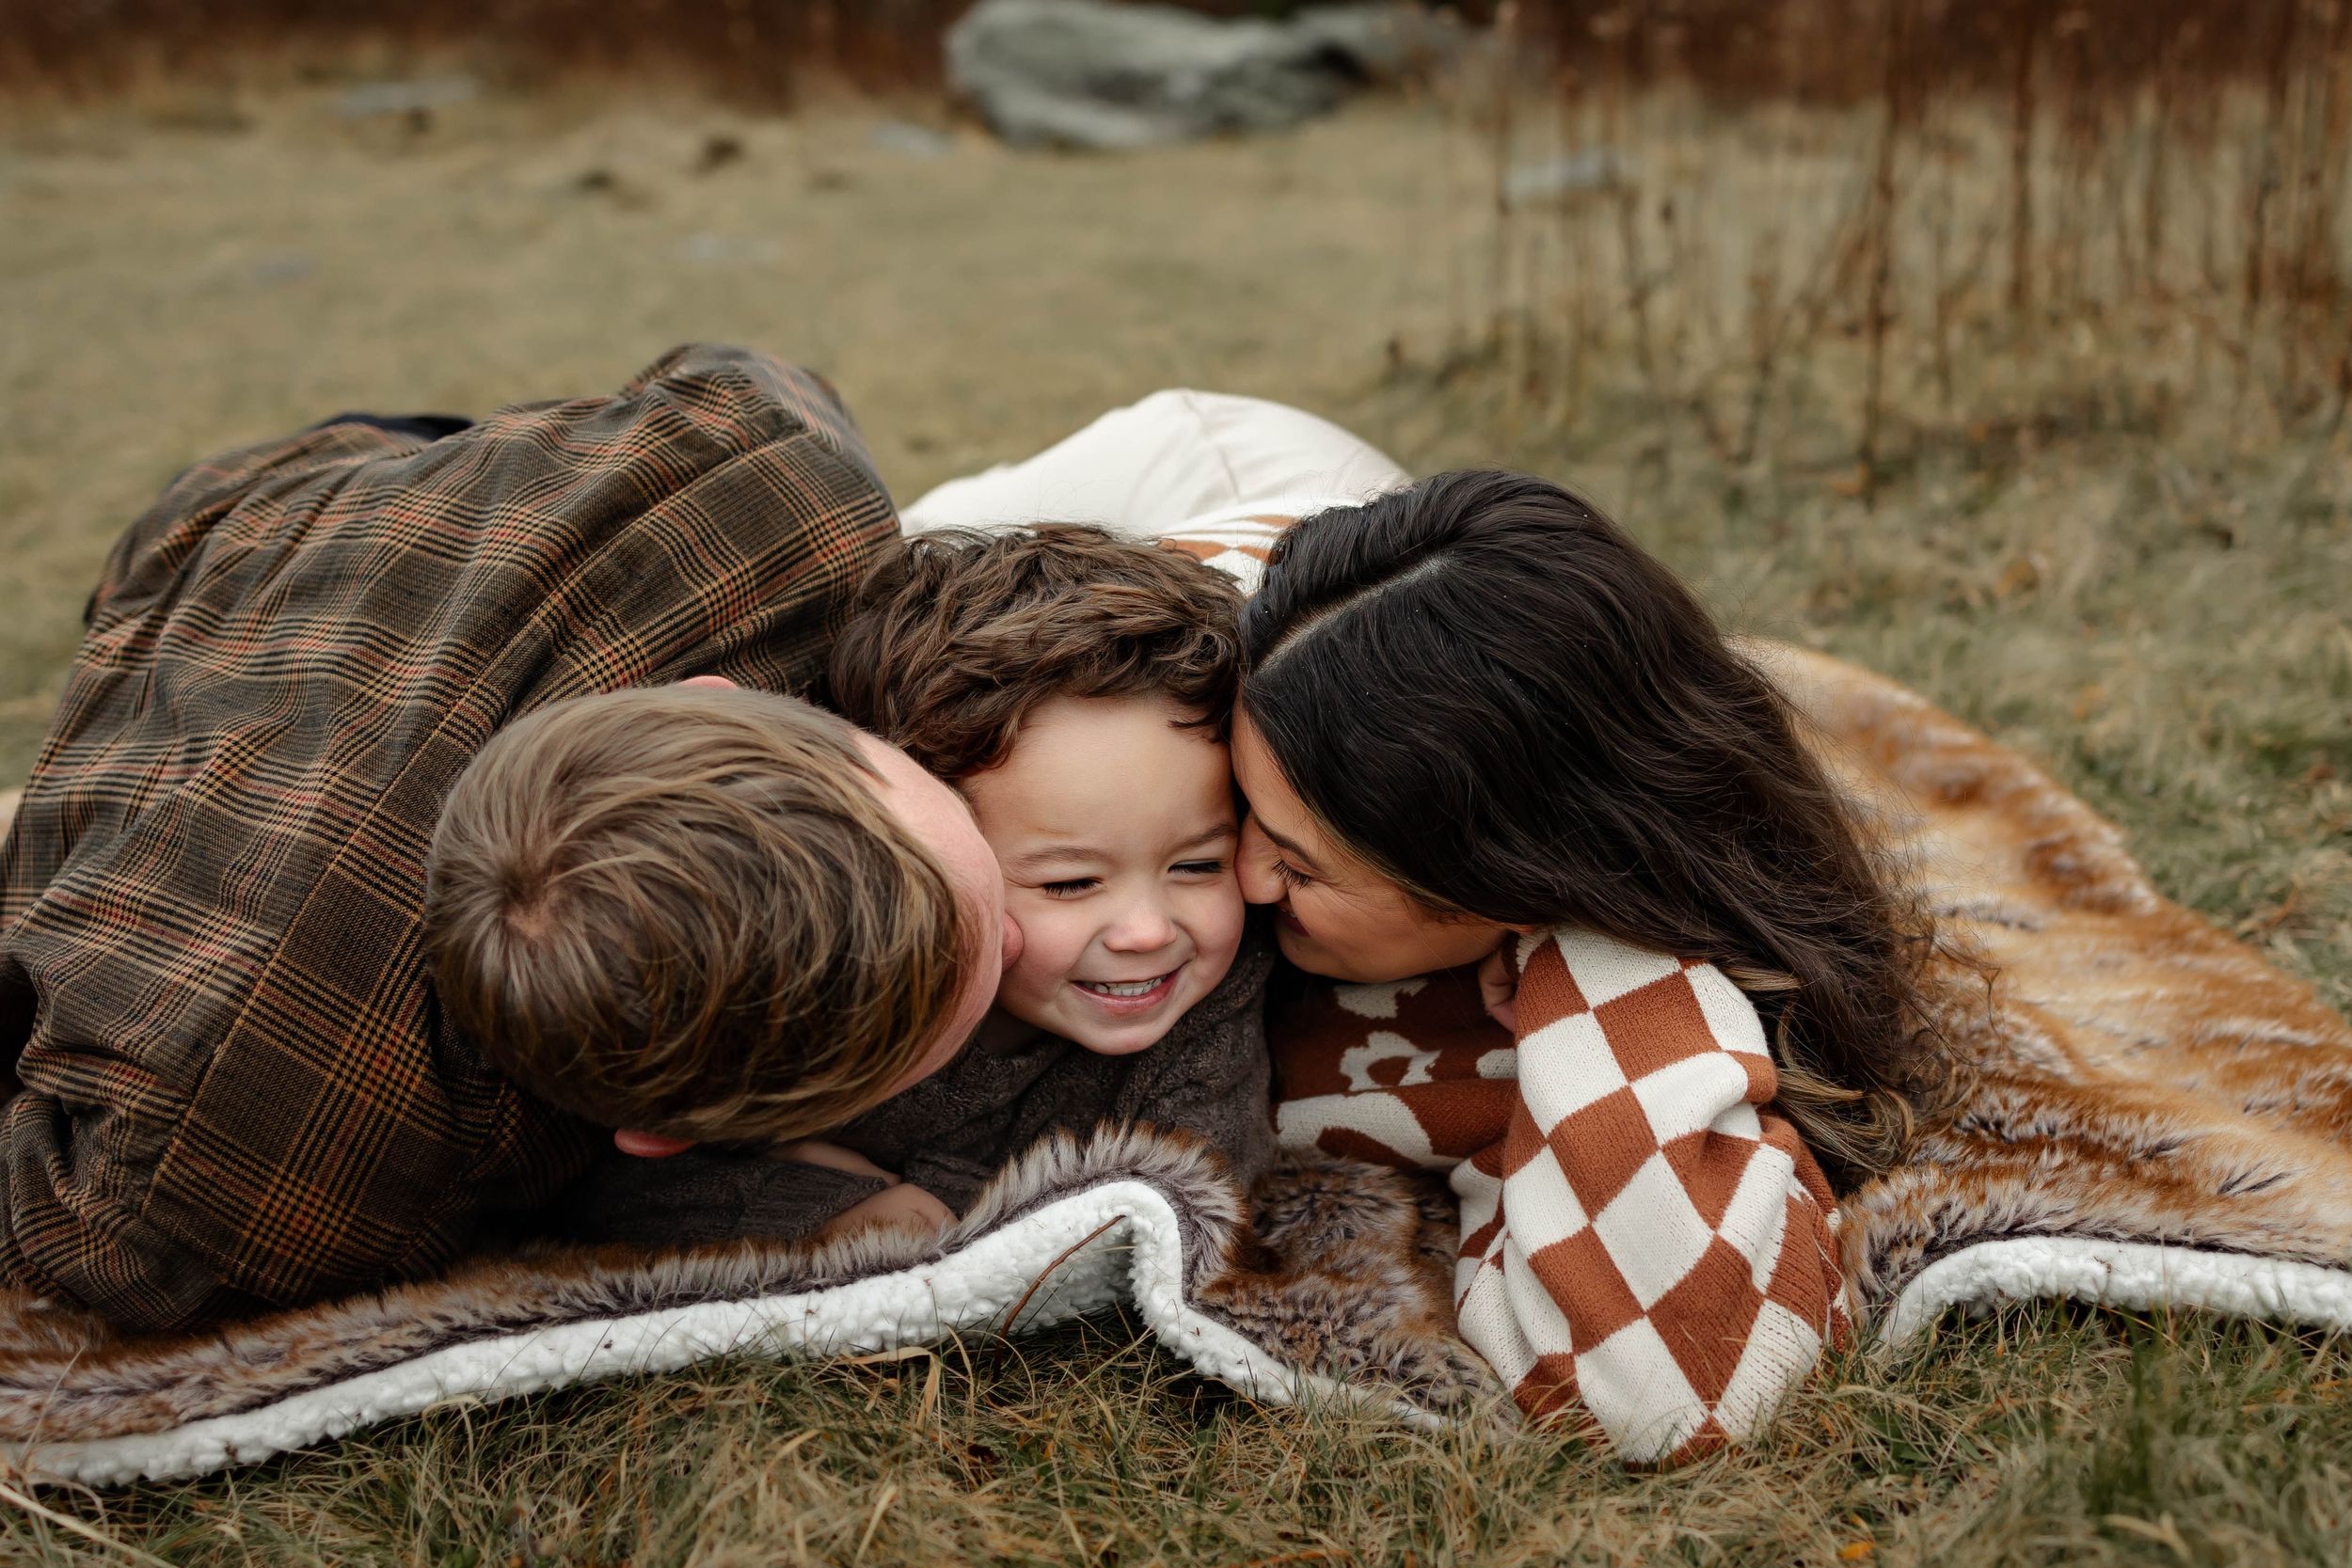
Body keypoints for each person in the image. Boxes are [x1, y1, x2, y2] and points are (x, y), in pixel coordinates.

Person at [906, 403, 1950, 1464]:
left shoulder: (1598, 921)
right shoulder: (1166, 699)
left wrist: (1584, 951)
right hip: (1208, 471)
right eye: (1240, 822)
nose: (1249, 880)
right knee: (898, 541)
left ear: (1506, 879)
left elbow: (1675, 1386)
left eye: (1297, 858)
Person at [0, 345, 1013, 1331]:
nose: (1020, 940)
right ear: (659, 1139)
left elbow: (741, 373)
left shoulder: (779, 488)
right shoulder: (222, 1191)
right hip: (208, 568)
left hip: (280, 556)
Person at [523, 523, 1275, 1246]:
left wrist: (935, 1200)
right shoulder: (819, 970)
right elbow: (622, 1186)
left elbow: (1189, 1204)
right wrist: (838, 1203)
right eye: (1072, 883)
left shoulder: (1206, 1008)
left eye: (1198, 865)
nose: (1147, 929)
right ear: (927, 845)